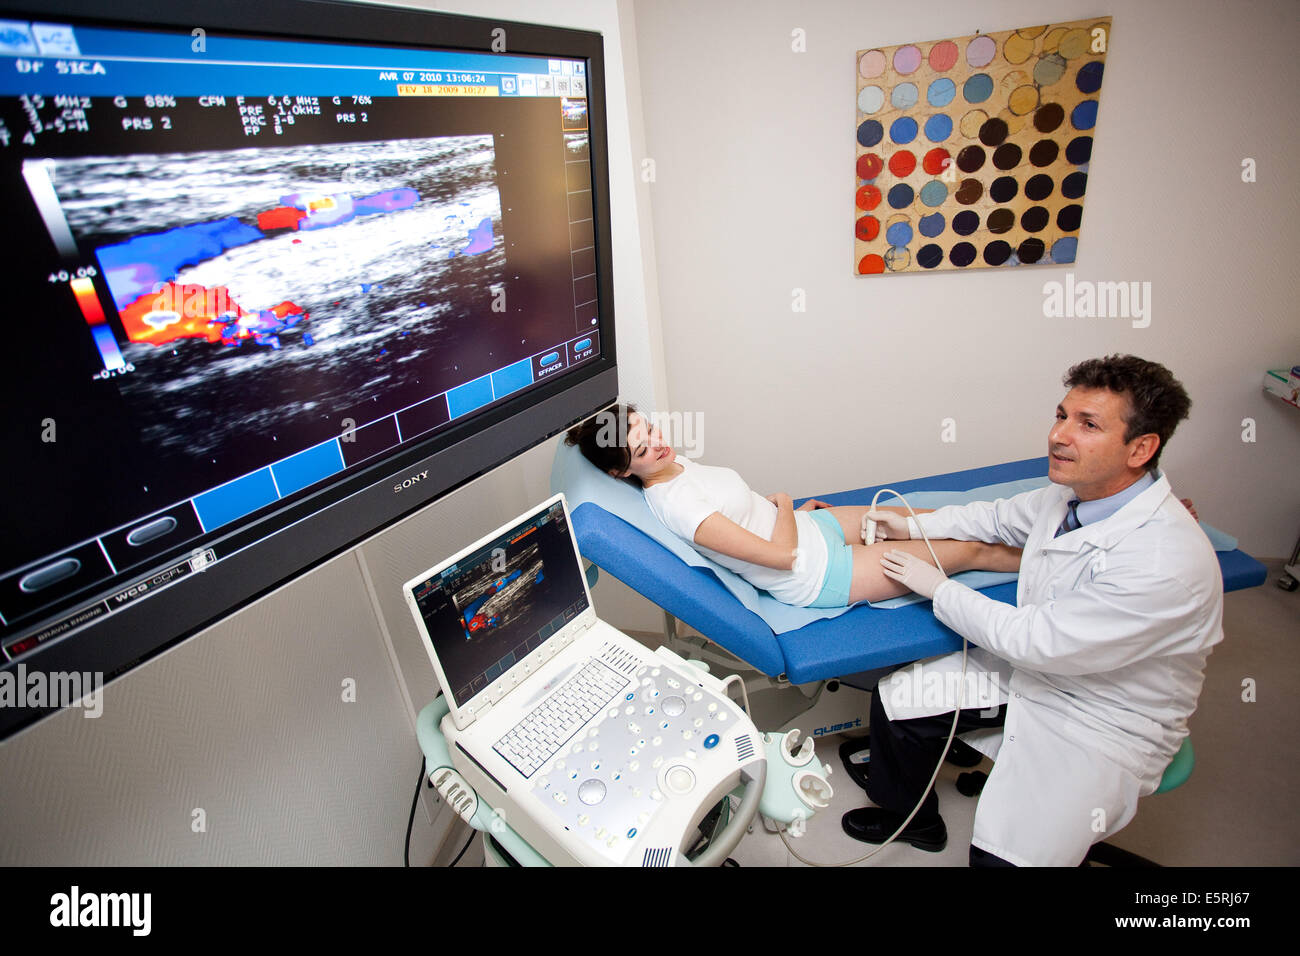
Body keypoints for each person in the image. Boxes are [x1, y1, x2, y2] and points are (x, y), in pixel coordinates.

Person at [841, 354, 1222, 866]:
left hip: (1101, 715)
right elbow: (995, 517)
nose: (1058, 435)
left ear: (1141, 448)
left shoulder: (1162, 562)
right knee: (898, 703)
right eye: (1062, 415)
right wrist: (909, 526)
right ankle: (912, 818)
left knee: (1006, 858)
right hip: (1036, 673)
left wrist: (937, 588)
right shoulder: (1069, 495)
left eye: (1088, 424)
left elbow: (1032, 641)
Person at [564, 405, 1022, 607]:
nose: (659, 445)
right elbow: (783, 559)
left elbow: (742, 513)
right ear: (620, 473)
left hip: (807, 528)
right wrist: (784, 503)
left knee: (933, 521)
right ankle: (1054, 565)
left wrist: (794, 515)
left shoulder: (671, 463)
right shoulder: (680, 506)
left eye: (651, 431)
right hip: (814, 575)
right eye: (643, 450)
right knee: (967, 552)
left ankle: (1039, 526)